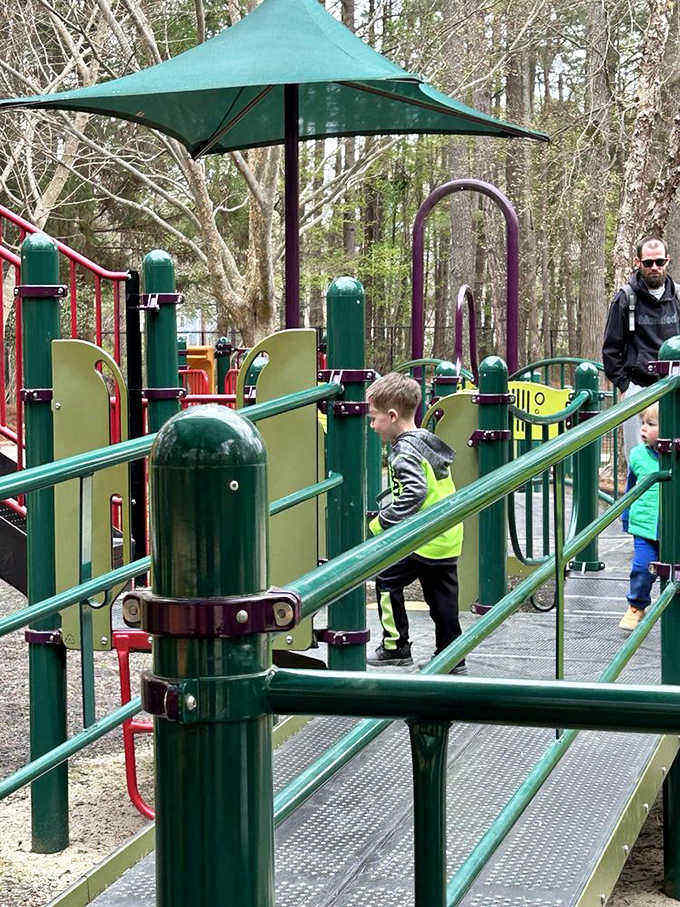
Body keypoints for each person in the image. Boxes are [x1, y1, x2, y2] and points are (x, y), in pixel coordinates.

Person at [365, 372, 465, 671]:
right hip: (446, 534)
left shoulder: (404, 450)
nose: (372, 425)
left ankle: (395, 646)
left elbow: (415, 492)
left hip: (423, 537)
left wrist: (383, 521)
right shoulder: (424, 441)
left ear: (392, 416)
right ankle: (452, 657)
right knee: (442, 601)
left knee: (386, 578)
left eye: (374, 418)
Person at [602, 236, 679, 461]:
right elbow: (611, 350)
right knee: (639, 459)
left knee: (675, 459)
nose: (654, 267)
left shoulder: (677, 296)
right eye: (648, 263)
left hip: (674, 390)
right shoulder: (626, 299)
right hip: (639, 389)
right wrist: (626, 387)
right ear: (638, 263)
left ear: (667, 261)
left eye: (659, 261)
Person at [619, 403, 660, 631]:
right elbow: (630, 489)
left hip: (672, 528)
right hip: (645, 527)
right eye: (642, 423)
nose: (643, 428)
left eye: (651, 424)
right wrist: (627, 517)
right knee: (642, 568)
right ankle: (636, 606)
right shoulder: (637, 456)